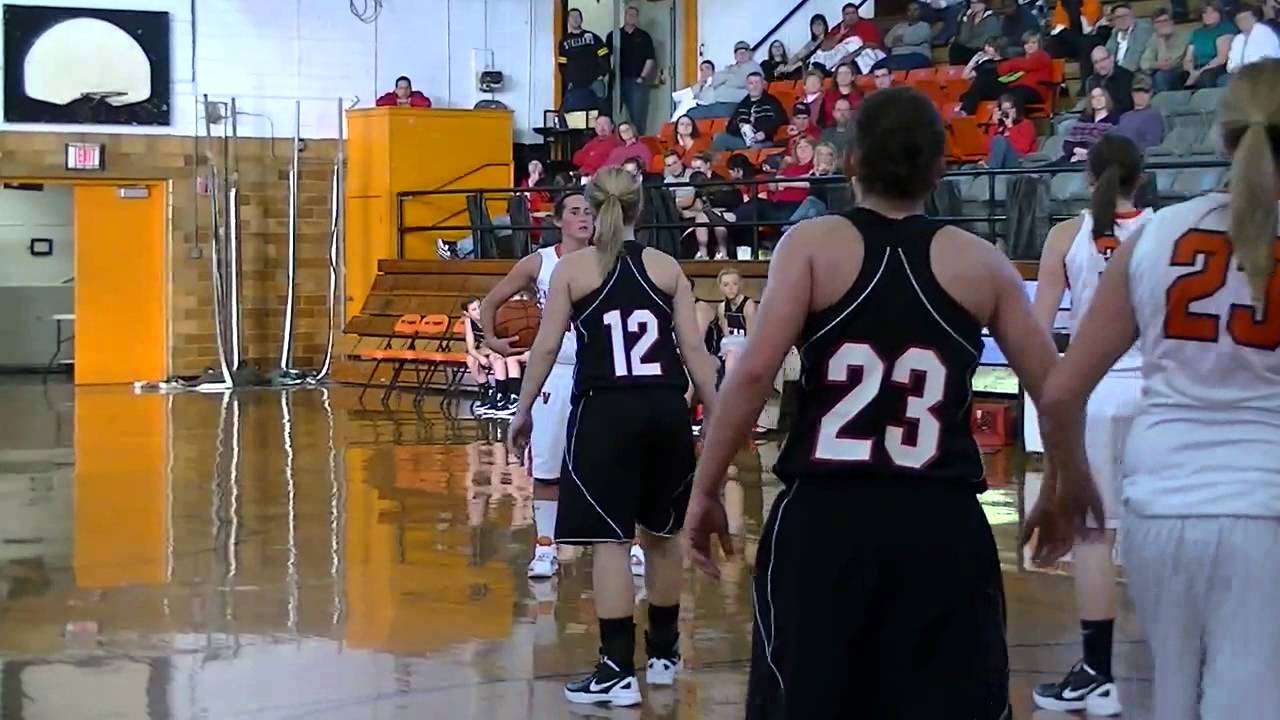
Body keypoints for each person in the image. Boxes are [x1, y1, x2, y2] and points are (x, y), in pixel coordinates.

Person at [686, 86, 1072, 719]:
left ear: (850, 161)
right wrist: (1060, 482)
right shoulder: (983, 262)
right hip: (939, 524)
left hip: (826, 520)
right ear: (940, 169)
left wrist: (704, 489)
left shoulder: (810, 245)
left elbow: (753, 371)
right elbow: (1053, 389)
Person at [1026, 59, 1280, 720]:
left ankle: (1094, 669)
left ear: (1222, 140)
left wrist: (1064, 483)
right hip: (1262, 501)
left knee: (1174, 697)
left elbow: (1059, 392)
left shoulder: (1160, 235)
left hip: (1160, 500)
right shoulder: (1150, 229)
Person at [509, 167, 719, 707]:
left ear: (593, 207)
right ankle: (666, 654)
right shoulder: (666, 266)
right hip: (665, 410)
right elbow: (695, 353)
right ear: (639, 210)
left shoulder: (574, 270)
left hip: (606, 413)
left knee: (611, 543)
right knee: (664, 536)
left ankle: (615, 670)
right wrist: (717, 414)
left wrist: (523, 408)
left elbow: (547, 348)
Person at [1027, 134, 1152, 717]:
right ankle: (1192, 664)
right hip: (1160, 396)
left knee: (1094, 537)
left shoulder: (1063, 236)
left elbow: (1037, 331)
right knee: (1165, 534)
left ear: (1088, 177)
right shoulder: (1165, 232)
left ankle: (1097, 674)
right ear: (1142, 179)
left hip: (1096, 393)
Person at [480, 191, 595, 579]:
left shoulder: (607, 259)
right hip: (556, 372)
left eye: (589, 212)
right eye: (575, 211)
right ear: (559, 220)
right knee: (547, 468)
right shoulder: (539, 262)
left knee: (613, 465)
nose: (584, 217)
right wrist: (492, 339)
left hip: (599, 373)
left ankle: (626, 545)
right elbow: (490, 302)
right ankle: (545, 546)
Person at [960, 32, 1052, 115]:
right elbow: (1002, 70)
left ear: (1039, 44)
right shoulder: (1021, 58)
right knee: (984, 80)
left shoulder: (1042, 55)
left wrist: (1012, 63)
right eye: (1026, 43)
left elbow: (1027, 65)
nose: (1029, 46)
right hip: (1013, 88)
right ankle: (966, 111)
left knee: (1017, 92)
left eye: (1033, 43)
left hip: (1033, 91)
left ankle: (1016, 123)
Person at [608, 5, 656, 134]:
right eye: (629, 14)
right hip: (617, 81)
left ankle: (638, 145)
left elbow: (650, 59)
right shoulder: (614, 35)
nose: (631, 17)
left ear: (637, 18)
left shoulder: (644, 36)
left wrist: (642, 78)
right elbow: (606, 58)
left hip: (636, 81)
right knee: (612, 116)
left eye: (634, 15)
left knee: (637, 117)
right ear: (624, 16)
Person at [711, 73, 786, 151]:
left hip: (764, 141)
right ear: (747, 86)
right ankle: (711, 162)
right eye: (751, 83)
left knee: (755, 148)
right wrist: (739, 126)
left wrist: (765, 133)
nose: (754, 86)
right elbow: (730, 127)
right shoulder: (742, 104)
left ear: (763, 84)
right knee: (719, 138)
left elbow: (781, 120)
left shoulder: (772, 101)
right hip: (744, 141)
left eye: (757, 83)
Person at [687, 41, 763, 119]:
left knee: (692, 113)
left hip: (733, 104)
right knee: (691, 111)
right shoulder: (732, 68)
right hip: (715, 102)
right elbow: (715, 80)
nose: (741, 55)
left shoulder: (753, 66)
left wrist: (726, 78)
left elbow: (740, 82)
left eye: (744, 52)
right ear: (735, 56)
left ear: (749, 54)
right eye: (738, 53)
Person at [559, 8, 611, 112]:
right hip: (575, 84)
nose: (575, 19)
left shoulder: (593, 37)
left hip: (594, 83)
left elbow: (605, 55)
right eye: (572, 16)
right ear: (568, 20)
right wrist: (568, 80)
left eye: (577, 16)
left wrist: (602, 74)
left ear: (581, 19)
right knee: (576, 113)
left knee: (600, 111)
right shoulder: (564, 42)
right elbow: (561, 64)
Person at [1055, 87, 1119, 164]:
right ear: (1090, 102)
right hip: (1074, 157)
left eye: (1101, 96)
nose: (1098, 99)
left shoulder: (1115, 120)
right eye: (1094, 97)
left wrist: (1088, 153)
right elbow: (1068, 143)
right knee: (1046, 168)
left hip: (1098, 162)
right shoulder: (1084, 119)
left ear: (1107, 99)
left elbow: (1111, 148)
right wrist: (1076, 151)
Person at [1182, 2, 1237, 88]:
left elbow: (1221, 58)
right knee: (1180, 77)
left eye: (1212, 12)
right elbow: (1188, 58)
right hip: (1197, 67)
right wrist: (1191, 71)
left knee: (1205, 76)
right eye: (1205, 13)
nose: (1208, 15)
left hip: (1217, 66)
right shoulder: (1197, 32)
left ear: (1220, 13)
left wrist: (1198, 73)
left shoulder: (1227, 28)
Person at [1108, 73, 1165, 152]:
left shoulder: (1153, 116)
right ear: (1132, 93)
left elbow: (1151, 145)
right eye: (1137, 91)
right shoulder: (1124, 117)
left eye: (1145, 91)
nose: (1140, 94)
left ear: (1151, 93)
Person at [1140, 7, 1193, 91]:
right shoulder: (1153, 38)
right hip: (1158, 73)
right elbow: (1144, 63)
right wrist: (1155, 65)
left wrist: (1161, 40)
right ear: (1154, 25)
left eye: (1165, 21)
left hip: (1180, 73)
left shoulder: (1183, 36)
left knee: (1161, 76)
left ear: (1171, 22)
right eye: (1158, 22)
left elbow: (1168, 65)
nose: (1163, 24)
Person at [984, 93, 1037, 168]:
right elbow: (989, 148)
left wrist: (1011, 127)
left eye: (1010, 109)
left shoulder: (1026, 124)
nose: (1008, 112)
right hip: (1000, 161)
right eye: (1004, 110)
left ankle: (991, 174)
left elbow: (1023, 148)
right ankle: (990, 171)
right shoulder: (999, 127)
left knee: (999, 139)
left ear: (1016, 109)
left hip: (1020, 161)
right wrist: (994, 125)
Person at [877, 3, 935, 71]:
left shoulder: (924, 26)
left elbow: (914, 39)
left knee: (895, 67)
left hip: (916, 55)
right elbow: (887, 42)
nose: (912, 13)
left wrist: (899, 39)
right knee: (876, 67)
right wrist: (901, 40)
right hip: (895, 56)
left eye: (915, 10)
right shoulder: (898, 26)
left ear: (921, 12)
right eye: (909, 10)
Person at [1227, 4, 1280, 73]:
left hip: (1265, 73)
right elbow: (1231, 62)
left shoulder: (1265, 32)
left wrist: (1244, 70)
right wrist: (1233, 68)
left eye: (1246, 18)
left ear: (1255, 18)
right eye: (1239, 20)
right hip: (1240, 74)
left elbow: (1266, 60)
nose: (1243, 22)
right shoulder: (1238, 38)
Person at [951, 0, 1003, 65]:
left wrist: (967, 45)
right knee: (956, 47)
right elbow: (963, 38)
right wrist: (967, 20)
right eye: (972, 3)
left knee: (961, 49)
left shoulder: (992, 18)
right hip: (968, 50)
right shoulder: (967, 16)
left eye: (978, 2)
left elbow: (984, 41)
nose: (974, 5)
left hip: (984, 51)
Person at [1085, 45, 1135, 113]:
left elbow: (1126, 107)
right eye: (1096, 62)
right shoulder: (1093, 81)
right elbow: (1090, 107)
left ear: (1112, 58)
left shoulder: (1126, 77)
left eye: (1103, 60)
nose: (1100, 65)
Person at [1104, 3, 1153, 70]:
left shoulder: (1142, 30)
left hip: (1135, 74)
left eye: (1125, 16)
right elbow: (1106, 54)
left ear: (1132, 16)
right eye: (1118, 17)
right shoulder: (1115, 34)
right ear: (1114, 20)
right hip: (1115, 73)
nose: (1122, 19)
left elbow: (1134, 61)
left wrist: (1118, 74)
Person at [819, 62, 863, 127]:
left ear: (853, 77)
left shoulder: (860, 96)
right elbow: (820, 119)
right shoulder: (826, 95)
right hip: (830, 131)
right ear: (836, 78)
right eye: (840, 74)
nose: (843, 76)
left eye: (846, 73)